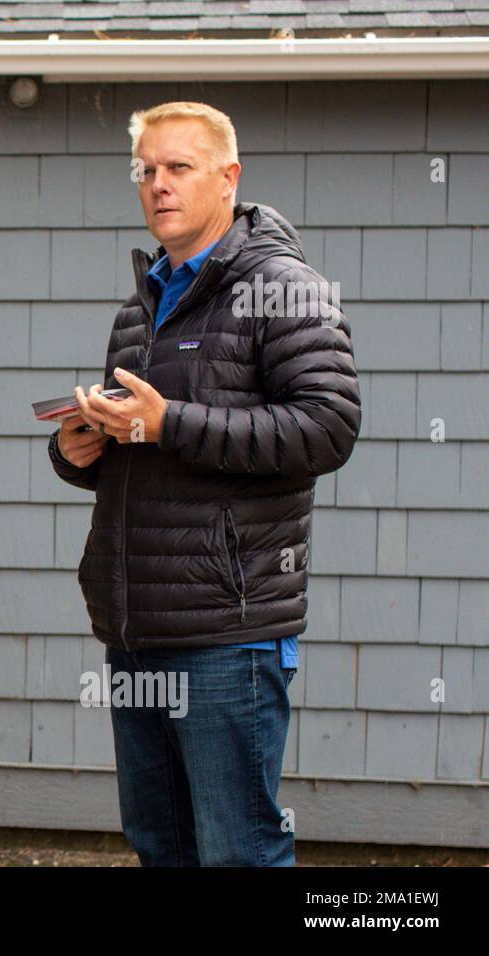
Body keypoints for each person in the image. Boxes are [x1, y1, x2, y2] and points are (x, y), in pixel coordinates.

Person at [49, 102, 361, 866]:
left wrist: (167, 424)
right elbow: (144, 446)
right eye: (146, 170)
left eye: (178, 167)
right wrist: (79, 448)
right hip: (135, 626)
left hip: (228, 632)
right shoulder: (141, 307)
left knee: (237, 851)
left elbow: (327, 428)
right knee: (163, 845)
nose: (158, 185)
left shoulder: (285, 288)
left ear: (228, 178)